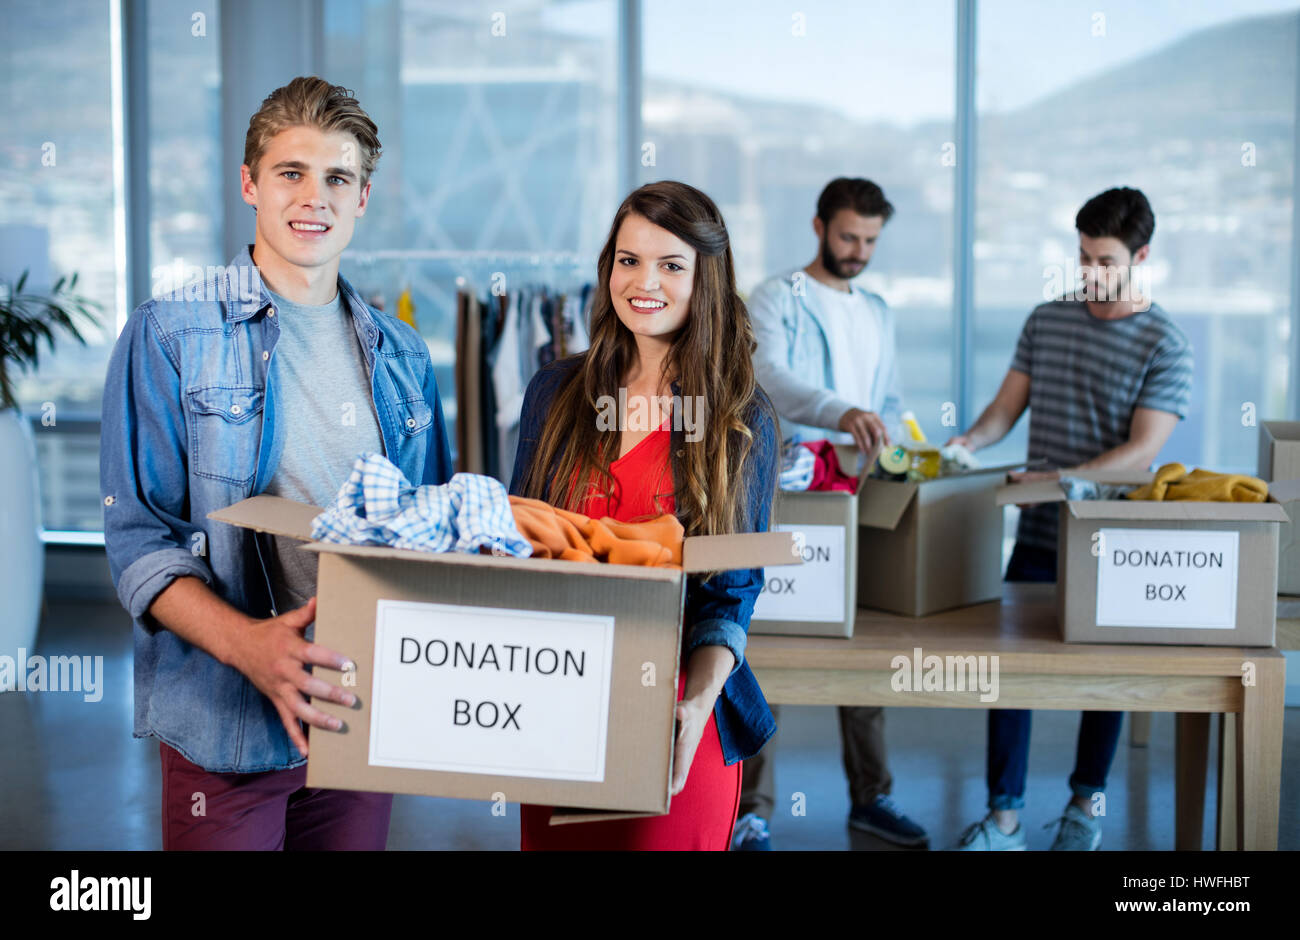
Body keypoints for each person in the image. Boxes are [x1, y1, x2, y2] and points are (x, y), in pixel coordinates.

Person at [100, 76, 452, 850]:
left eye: (337, 178)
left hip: (359, 713)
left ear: (363, 197)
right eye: (291, 173)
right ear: (249, 183)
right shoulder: (170, 335)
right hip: (228, 717)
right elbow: (136, 539)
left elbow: (431, 532)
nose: (313, 198)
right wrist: (250, 647)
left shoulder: (401, 356)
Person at [510, 180, 780, 850]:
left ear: (705, 279)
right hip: (557, 705)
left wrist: (693, 705)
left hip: (673, 719)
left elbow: (729, 596)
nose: (643, 282)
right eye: (628, 260)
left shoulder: (740, 421)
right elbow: (515, 546)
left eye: (670, 265)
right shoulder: (555, 392)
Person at [949, 186, 1192, 850]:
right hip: (1035, 532)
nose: (1089, 272)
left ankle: (1085, 808)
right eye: (1082, 256)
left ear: (1142, 255)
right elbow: (1004, 413)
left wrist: (1055, 482)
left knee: (1103, 678)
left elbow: (1141, 453)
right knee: (1007, 670)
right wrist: (965, 443)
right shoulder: (1047, 320)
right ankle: (1004, 819)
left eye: (1105, 260)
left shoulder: (1166, 343)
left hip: (1109, 540)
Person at [736, 177, 926, 850]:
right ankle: (750, 810)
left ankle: (873, 797)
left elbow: (891, 394)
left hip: (860, 490)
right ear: (819, 226)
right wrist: (840, 412)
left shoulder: (878, 310)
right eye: (848, 236)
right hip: (795, 490)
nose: (859, 250)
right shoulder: (775, 296)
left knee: (863, 640)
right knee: (772, 636)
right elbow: (771, 380)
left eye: (871, 240)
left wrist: (904, 445)